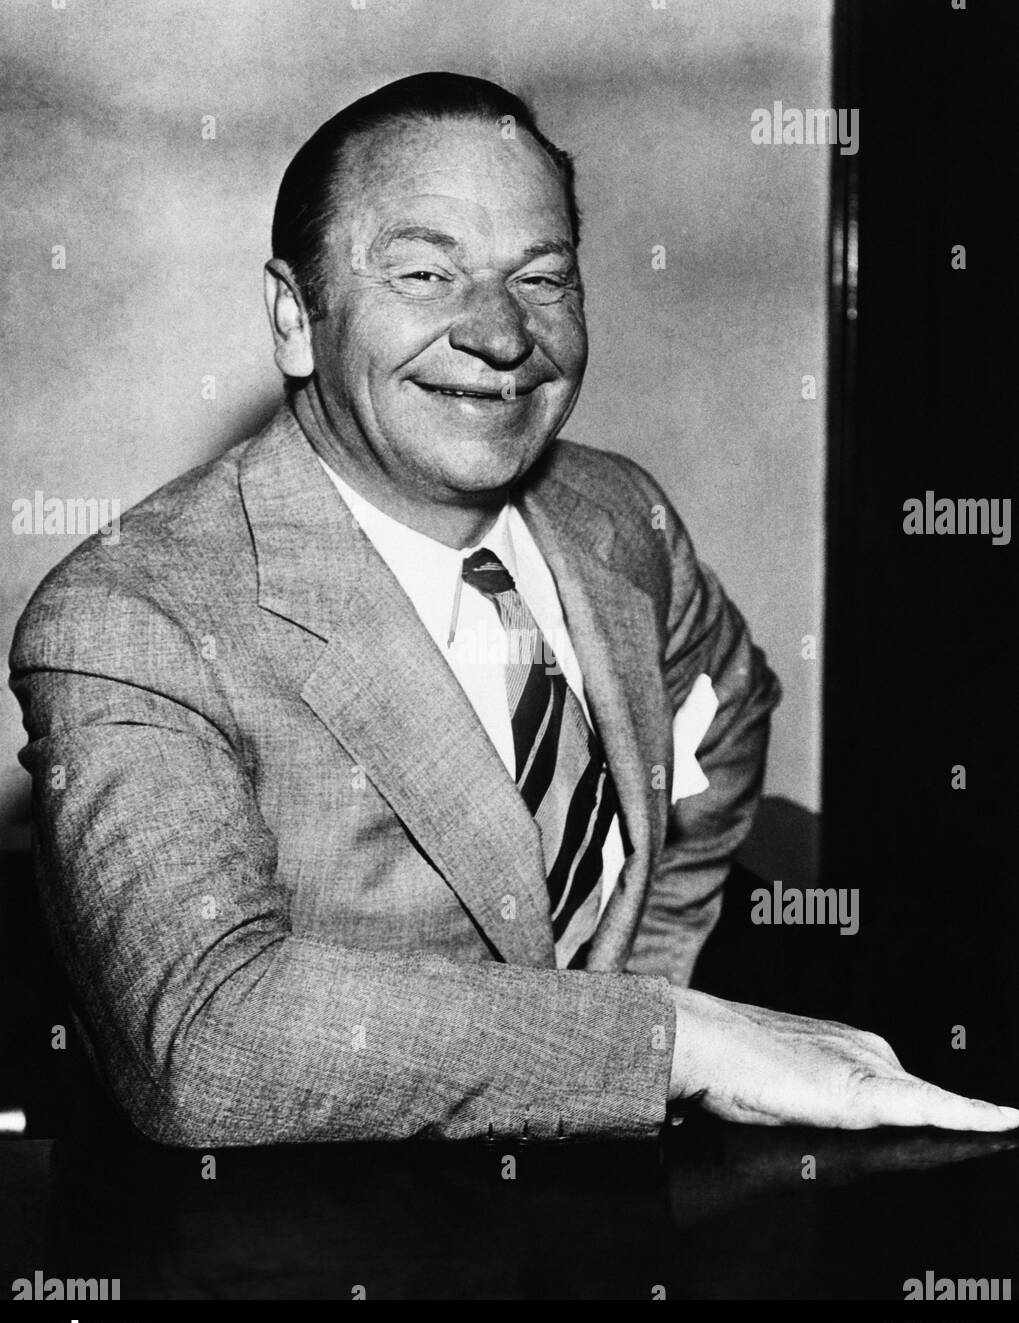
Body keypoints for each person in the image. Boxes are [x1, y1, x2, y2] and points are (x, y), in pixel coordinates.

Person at [10, 72, 1017, 1146]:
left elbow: (724, 712)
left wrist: (644, 981)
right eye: (426, 272)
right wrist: (666, 1038)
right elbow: (205, 1045)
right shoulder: (131, 615)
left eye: (540, 278)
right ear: (295, 318)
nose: (498, 334)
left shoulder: (616, 512)